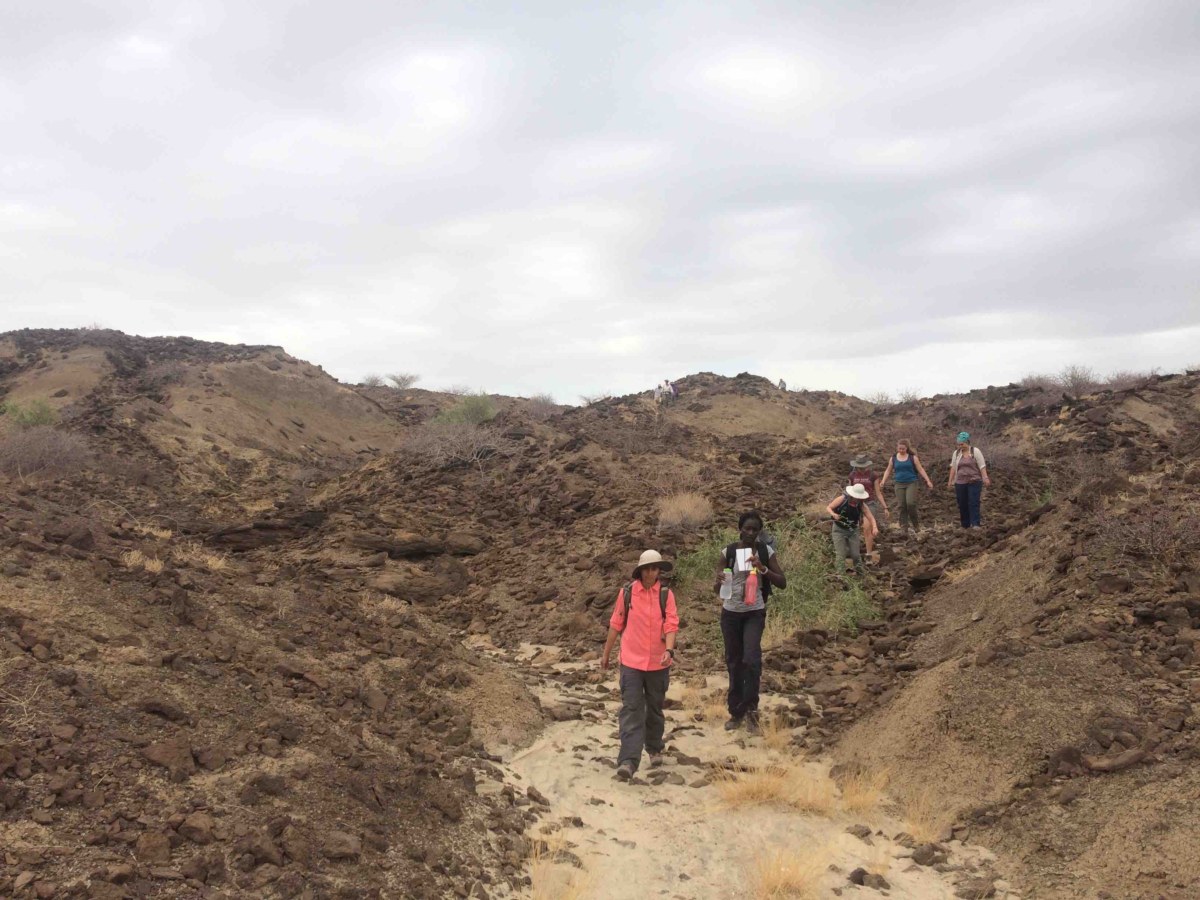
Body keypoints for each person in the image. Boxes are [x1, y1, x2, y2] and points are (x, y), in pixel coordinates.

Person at [601, 549, 680, 781]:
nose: (651, 572)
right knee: (632, 709)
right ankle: (628, 760)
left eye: (655, 568)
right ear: (640, 571)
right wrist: (606, 654)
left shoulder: (666, 594)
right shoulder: (627, 593)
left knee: (654, 708)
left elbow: (671, 624)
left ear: (659, 571)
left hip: (658, 662)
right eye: (647, 568)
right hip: (631, 662)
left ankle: (654, 748)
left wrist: (669, 650)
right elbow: (616, 624)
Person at [712, 511, 787, 733]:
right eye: (747, 529)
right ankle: (736, 712)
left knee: (752, 660)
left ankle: (752, 711)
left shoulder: (765, 551)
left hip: (754, 612)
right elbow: (718, 590)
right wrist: (718, 581)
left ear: (759, 532)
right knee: (734, 662)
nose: (751, 533)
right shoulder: (729, 552)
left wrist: (762, 568)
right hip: (731, 613)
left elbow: (782, 582)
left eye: (755, 530)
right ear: (740, 529)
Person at [877, 440, 935, 533]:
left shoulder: (913, 458)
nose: (901, 450)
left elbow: (920, 469)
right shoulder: (893, 458)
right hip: (899, 484)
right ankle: (904, 527)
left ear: (907, 448)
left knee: (910, 503)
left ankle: (916, 525)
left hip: (911, 482)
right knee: (902, 505)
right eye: (899, 448)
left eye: (903, 449)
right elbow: (888, 470)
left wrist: (928, 481)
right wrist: (883, 481)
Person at [826, 484, 877, 576]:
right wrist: (833, 514)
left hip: (853, 531)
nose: (856, 499)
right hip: (839, 530)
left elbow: (871, 517)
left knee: (855, 555)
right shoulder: (842, 499)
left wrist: (874, 527)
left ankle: (861, 574)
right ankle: (840, 576)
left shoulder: (861, 505)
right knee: (841, 554)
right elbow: (829, 507)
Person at [948, 432, 990, 528]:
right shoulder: (957, 453)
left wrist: (985, 477)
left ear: (967, 442)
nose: (960, 446)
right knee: (962, 503)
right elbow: (953, 467)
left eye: (962, 444)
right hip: (960, 482)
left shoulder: (975, 451)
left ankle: (975, 523)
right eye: (958, 444)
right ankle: (965, 525)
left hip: (974, 481)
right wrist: (950, 481)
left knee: (973, 502)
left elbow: (982, 466)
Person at [848, 456, 888, 557]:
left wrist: (885, 507)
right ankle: (853, 552)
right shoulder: (852, 475)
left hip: (869, 503)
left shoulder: (873, 475)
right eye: (859, 467)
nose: (861, 469)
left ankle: (868, 554)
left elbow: (878, 493)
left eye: (863, 467)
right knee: (853, 528)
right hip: (855, 503)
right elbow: (849, 490)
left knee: (867, 528)